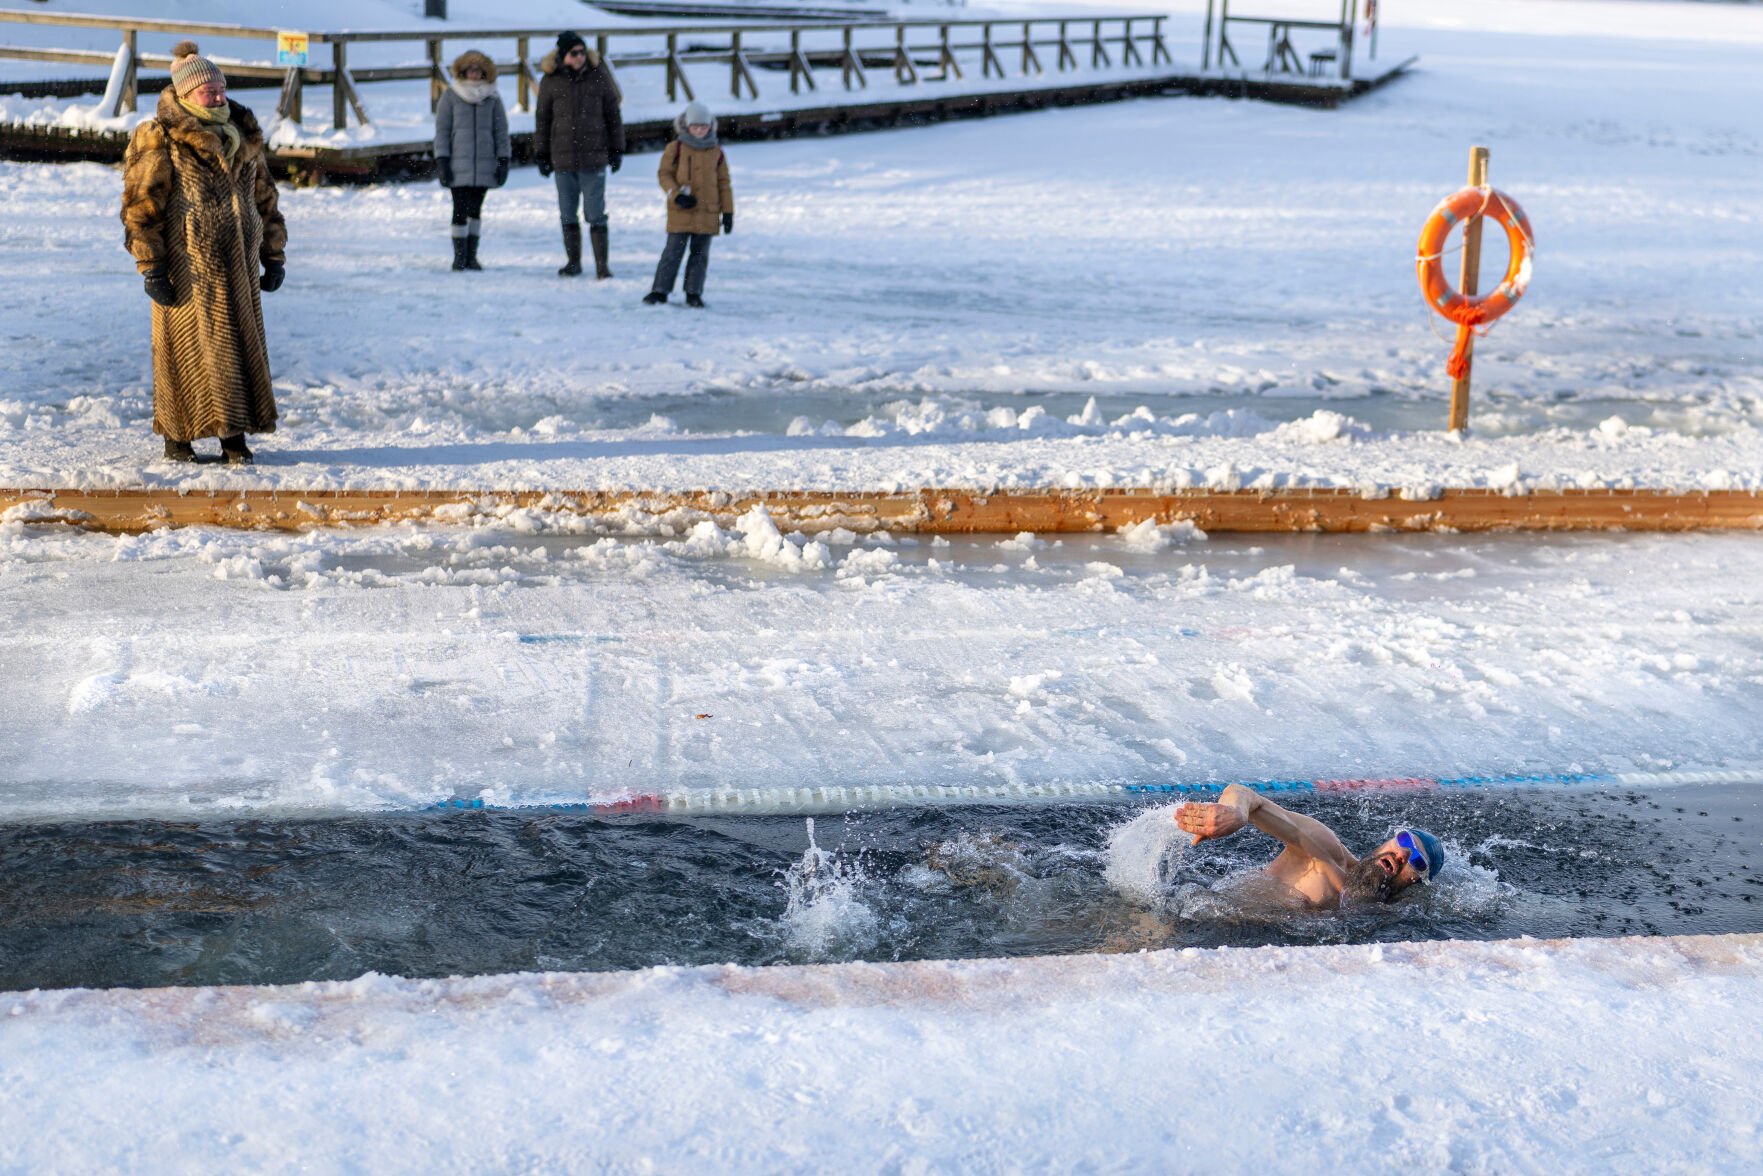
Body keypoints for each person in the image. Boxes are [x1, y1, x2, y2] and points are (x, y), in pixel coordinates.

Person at [120, 40, 285, 465]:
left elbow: (265, 197)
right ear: (185, 94)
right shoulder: (159, 136)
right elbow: (141, 205)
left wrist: (274, 253)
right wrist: (151, 264)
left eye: (220, 86)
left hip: (240, 266)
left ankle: (233, 433)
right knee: (187, 352)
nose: (216, 95)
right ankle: (179, 437)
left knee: (238, 347)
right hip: (187, 265)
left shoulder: (243, 134)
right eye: (206, 89)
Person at [1174, 783, 1445, 907]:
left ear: (1416, 883)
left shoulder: (1387, 911)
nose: (1403, 854)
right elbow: (1245, 794)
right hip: (1189, 911)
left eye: (1416, 861)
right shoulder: (1325, 854)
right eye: (1405, 841)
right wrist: (1235, 812)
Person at [534, 31, 624, 279]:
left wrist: (617, 149)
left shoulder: (599, 77)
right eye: (574, 53)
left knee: (595, 213)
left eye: (583, 52)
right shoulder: (550, 81)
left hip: (593, 158)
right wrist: (541, 153)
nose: (580, 57)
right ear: (563, 56)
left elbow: (613, 116)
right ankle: (573, 262)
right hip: (562, 158)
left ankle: (601, 266)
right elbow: (543, 120)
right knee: (567, 212)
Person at [643, 101, 734, 309]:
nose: (700, 130)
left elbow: (724, 185)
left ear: (710, 127)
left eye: (704, 127)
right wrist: (676, 195)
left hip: (708, 214)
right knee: (672, 253)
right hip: (681, 212)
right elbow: (664, 175)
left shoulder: (717, 152)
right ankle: (660, 290)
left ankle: (693, 292)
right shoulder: (676, 148)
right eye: (695, 126)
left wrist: (728, 213)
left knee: (700, 256)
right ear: (686, 126)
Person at [433, 48, 510, 272]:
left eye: (478, 70)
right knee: (459, 209)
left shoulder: (493, 98)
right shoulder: (450, 96)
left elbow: (501, 131)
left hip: (484, 164)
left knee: (475, 210)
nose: (474, 74)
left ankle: (471, 256)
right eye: (470, 70)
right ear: (463, 71)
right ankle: (459, 257)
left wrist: (503, 159)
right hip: (458, 163)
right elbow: (442, 130)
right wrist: (442, 160)